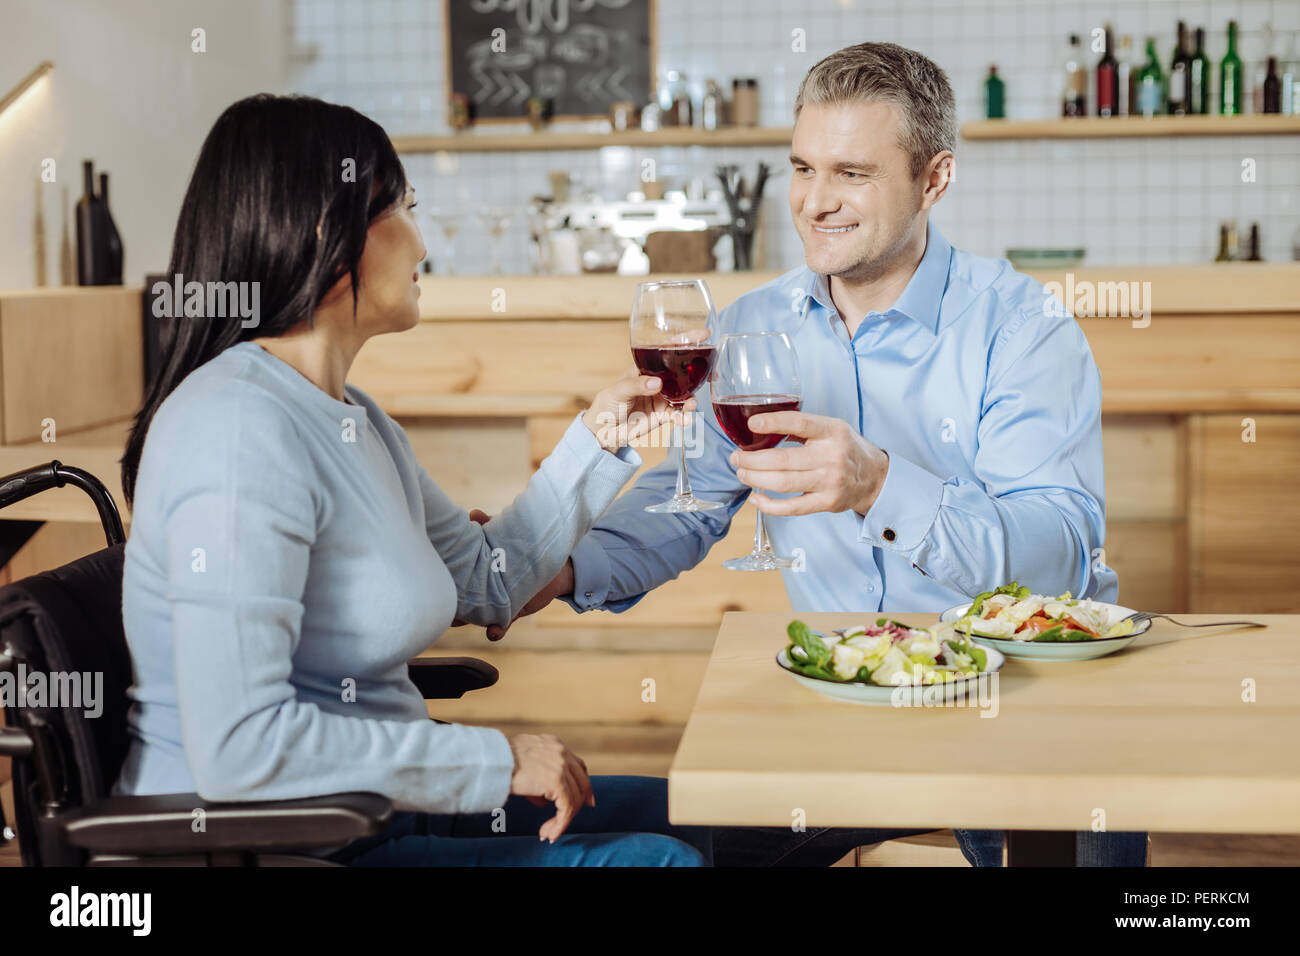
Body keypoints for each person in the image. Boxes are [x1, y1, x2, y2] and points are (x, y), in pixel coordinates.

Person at [506, 43, 1148, 867]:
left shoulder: (1023, 329)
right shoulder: (750, 324)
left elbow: (1058, 555)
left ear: (935, 179)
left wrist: (879, 484)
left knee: (1066, 851)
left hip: (1022, 695)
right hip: (845, 691)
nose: (814, 202)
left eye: (852, 174)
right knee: (705, 839)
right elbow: (692, 505)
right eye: (802, 168)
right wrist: (560, 570)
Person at [114, 93, 712, 866]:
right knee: (658, 862)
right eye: (401, 208)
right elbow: (240, 749)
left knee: (714, 810)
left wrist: (599, 442)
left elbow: (487, 581)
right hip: (270, 844)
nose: (422, 243)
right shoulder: (236, 432)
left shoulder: (353, 419)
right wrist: (495, 762)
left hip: (372, 809)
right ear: (329, 236)